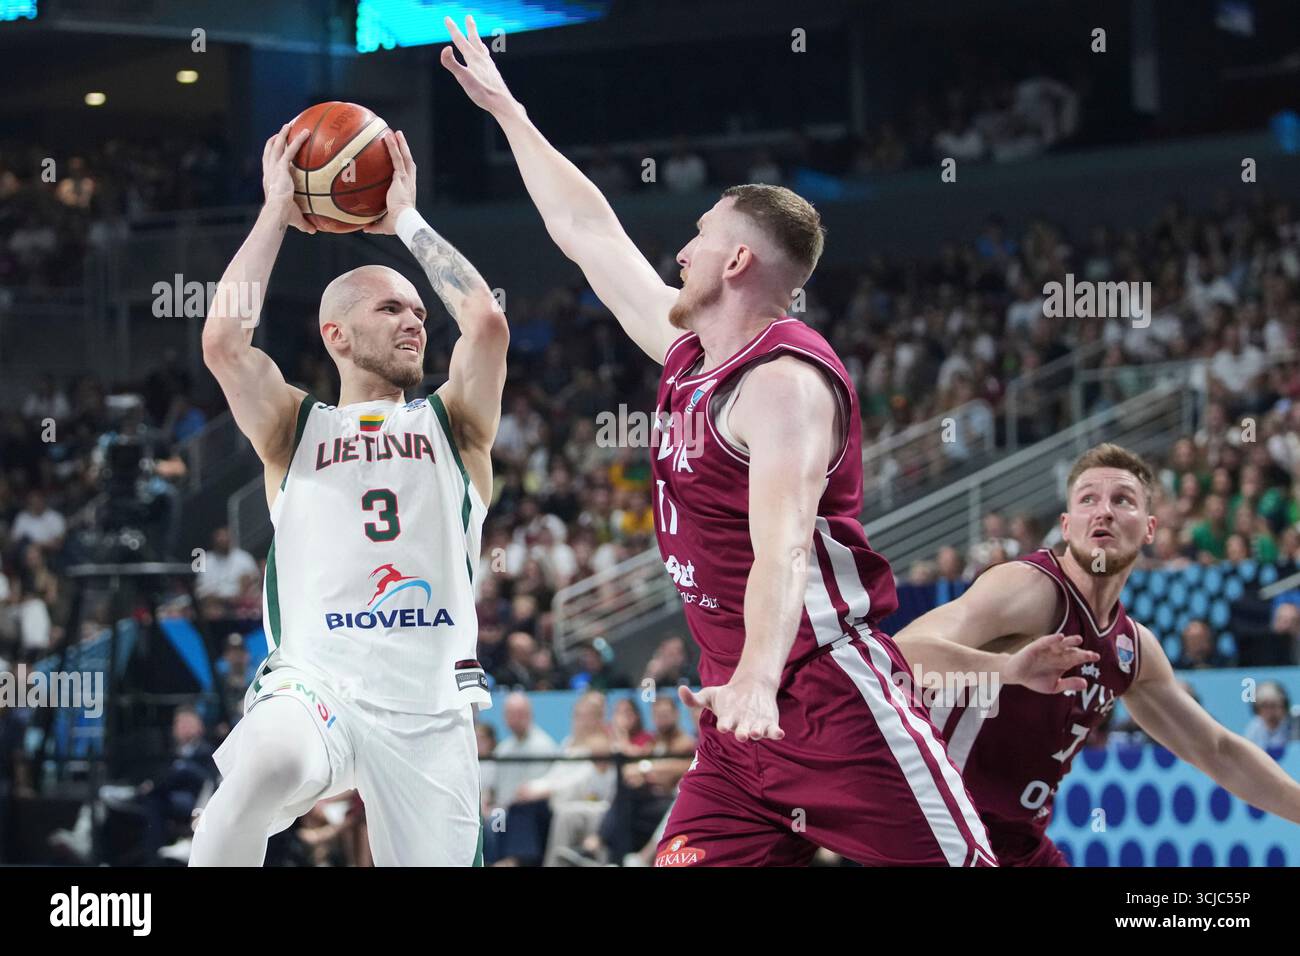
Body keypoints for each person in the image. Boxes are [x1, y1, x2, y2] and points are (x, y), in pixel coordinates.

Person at [442, 14, 992, 866]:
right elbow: (590, 236)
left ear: (736, 263)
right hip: (736, 724)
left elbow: (783, 553)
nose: (681, 247)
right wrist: (508, 112)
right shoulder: (692, 353)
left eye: (700, 235)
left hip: (825, 696)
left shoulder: (782, 386)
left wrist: (760, 680)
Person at [190, 121, 509, 866]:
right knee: (262, 766)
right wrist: (275, 209)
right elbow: (223, 343)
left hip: (429, 709)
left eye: (418, 313)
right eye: (390, 309)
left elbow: (485, 320)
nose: (413, 322)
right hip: (317, 686)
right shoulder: (293, 425)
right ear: (336, 334)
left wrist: (405, 219)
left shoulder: (454, 423)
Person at [894, 443, 1300, 866]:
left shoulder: (1132, 650)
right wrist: (1005, 668)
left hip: (1015, 838)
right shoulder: (1029, 590)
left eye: (1122, 500)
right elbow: (900, 656)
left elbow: (1218, 750)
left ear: (1149, 528)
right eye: (1088, 499)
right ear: (1067, 526)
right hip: (939, 813)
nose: (1103, 511)